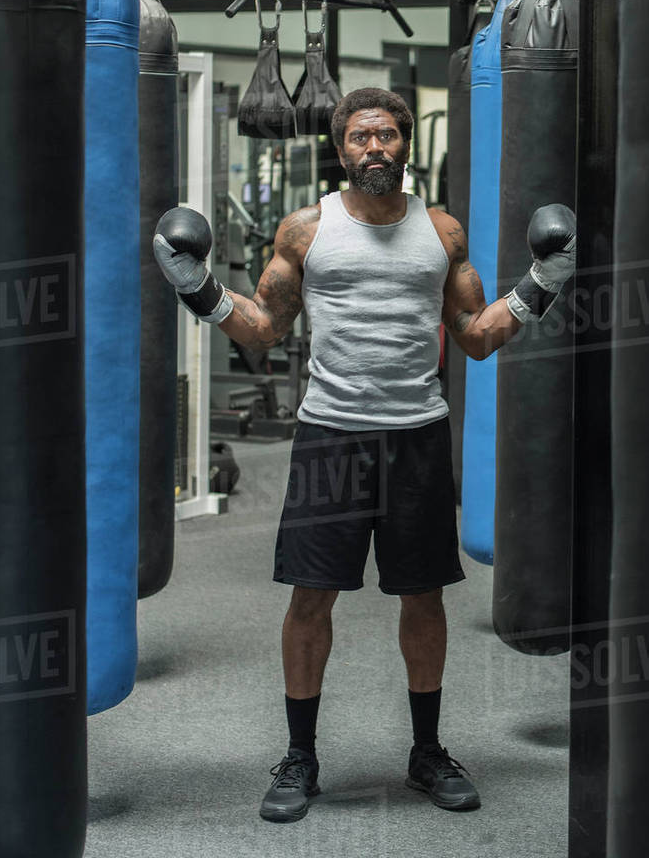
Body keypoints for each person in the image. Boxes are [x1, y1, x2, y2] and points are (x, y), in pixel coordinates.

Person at [153, 87, 576, 824]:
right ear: (340, 148)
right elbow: (263, 330)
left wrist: (540, 284)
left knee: (423, 596)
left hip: (415, 434)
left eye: (386, 136)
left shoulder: (440, 233)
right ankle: (300, 758)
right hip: (331, 434)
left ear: (405, 145)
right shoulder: (304, 231)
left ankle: (426, 752)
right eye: (359, 137)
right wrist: (198, 290)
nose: (373, 148)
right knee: (311, 597)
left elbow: (474, 335)